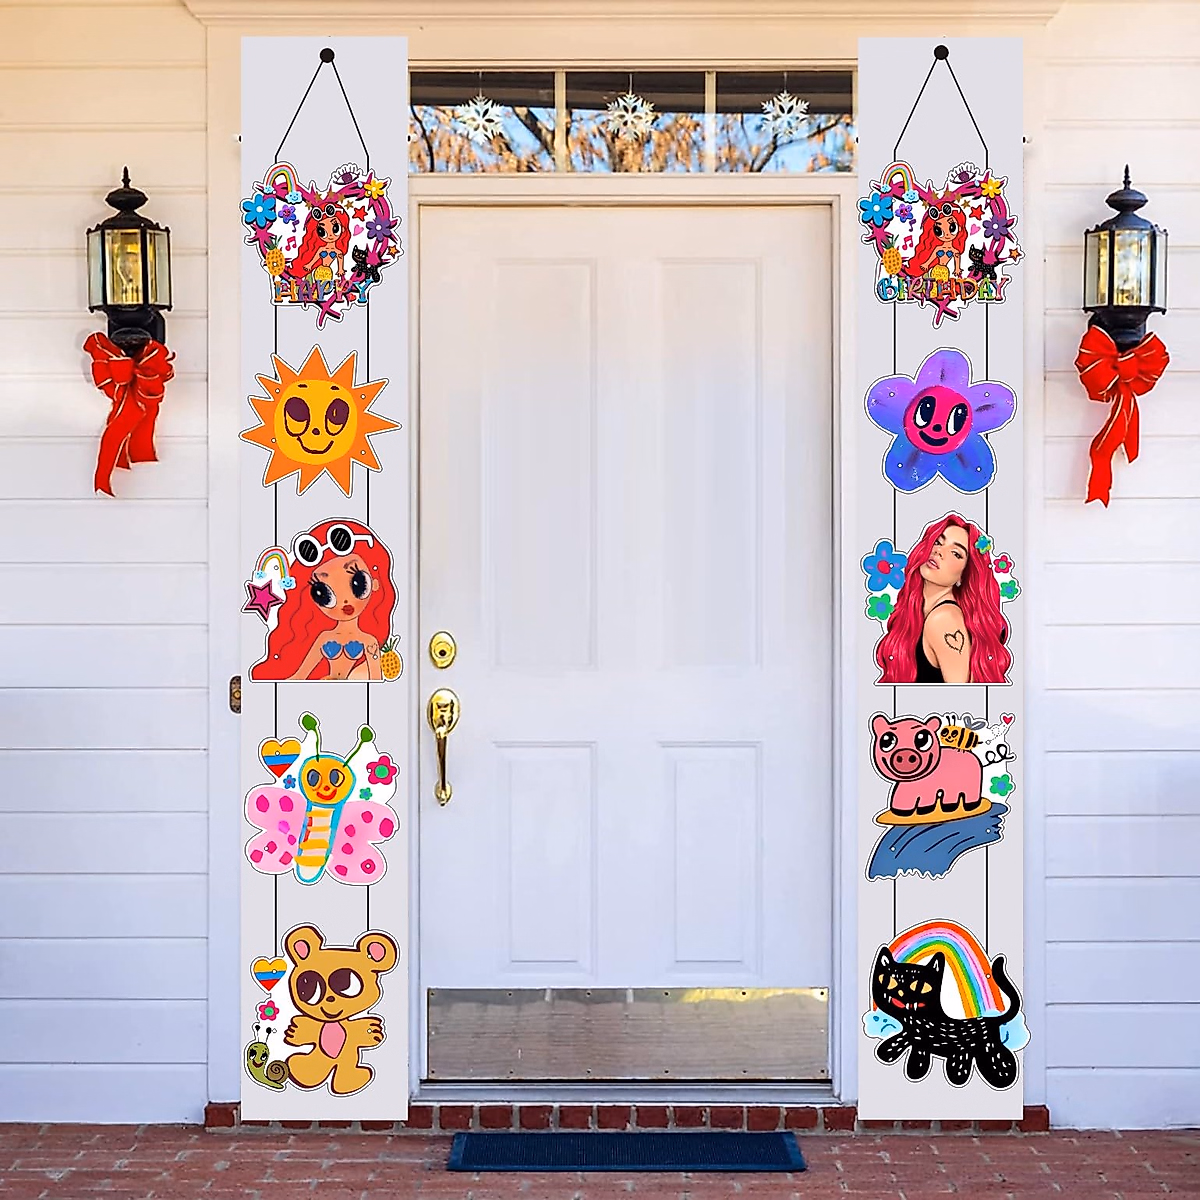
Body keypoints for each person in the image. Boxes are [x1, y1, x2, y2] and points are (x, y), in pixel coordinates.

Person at [251, 519, 396, 682]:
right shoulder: (325, 638)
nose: (345, 601)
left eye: (358, 585)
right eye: (324, 594)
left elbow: (376, 681)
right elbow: (299, 676)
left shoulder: (369, 642)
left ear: (375, 584)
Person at [875, 513, 1010, 684]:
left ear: (963, 575)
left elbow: (962, 697)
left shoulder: (944, 619)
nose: (939, 551)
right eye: (938, 542)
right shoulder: (918, 613)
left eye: (956, 553)